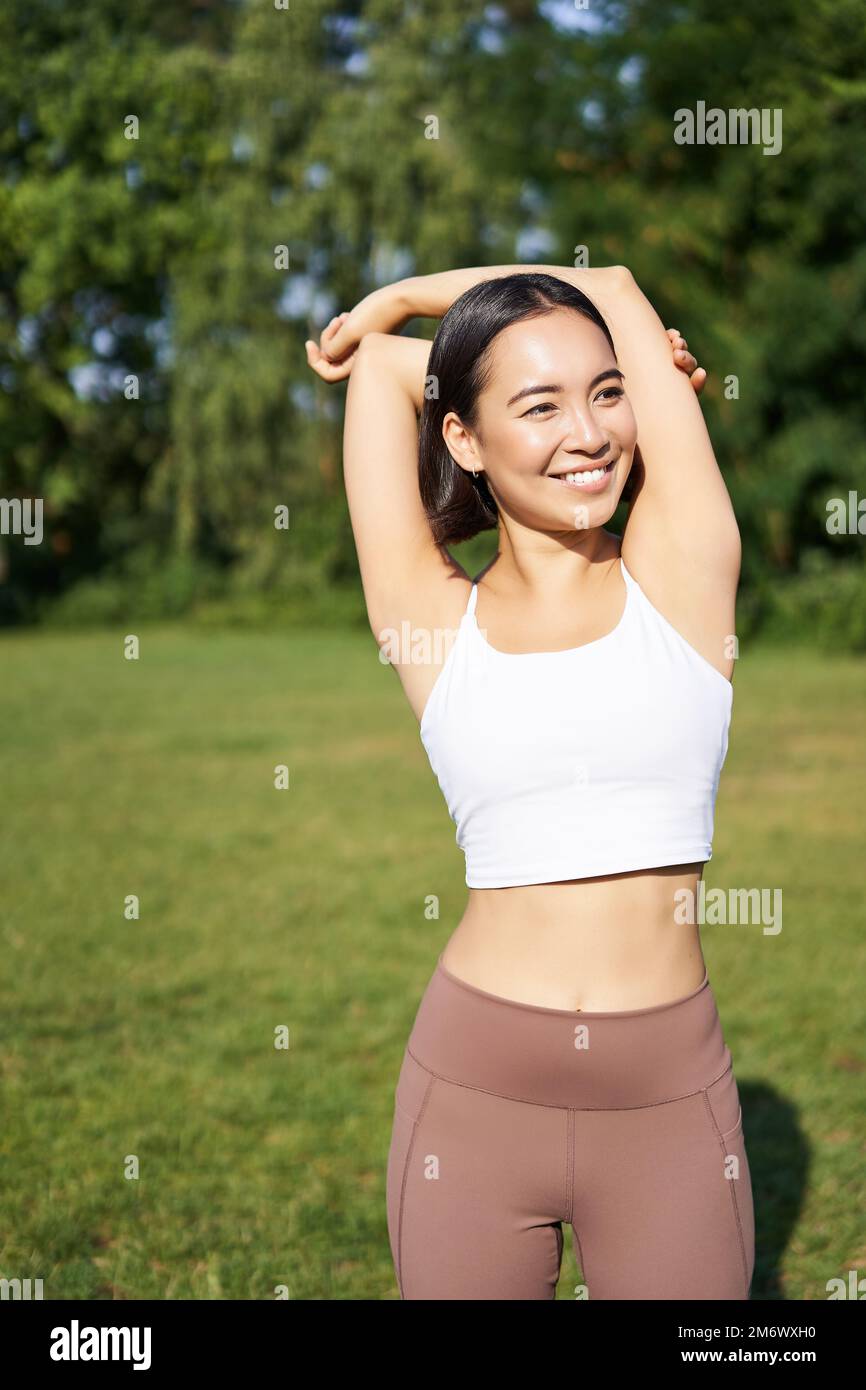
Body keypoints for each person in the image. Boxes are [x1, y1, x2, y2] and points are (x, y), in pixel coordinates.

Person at [305, 264, 754, 1301]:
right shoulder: (431, 623)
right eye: (538, 406)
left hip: (666, 1102)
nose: (589, 433)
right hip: (469, 1096)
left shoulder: (686, 574)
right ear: (459, 437)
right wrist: (412, 339)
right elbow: (377, 378)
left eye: (607, 393)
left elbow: (611, 281)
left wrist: (403, 297)